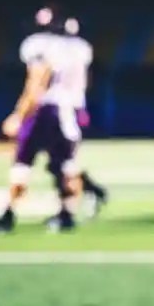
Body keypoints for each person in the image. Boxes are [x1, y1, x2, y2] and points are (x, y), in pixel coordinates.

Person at [0, 7, 93, 233]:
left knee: (23, 161)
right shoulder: (78, 48)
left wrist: (19, 114)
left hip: (45, 110)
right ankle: (66, 214)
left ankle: (8, 214)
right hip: (69, 110)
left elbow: (38, 81)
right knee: (65, 165)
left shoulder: (40, 45)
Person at [61, 16, 107, 217]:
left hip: (65, 108)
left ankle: (78, 201)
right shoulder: (82, 48)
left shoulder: (60, 49)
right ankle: (92, 191)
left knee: (64, 160)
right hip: (73, 106)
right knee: (63, 159)